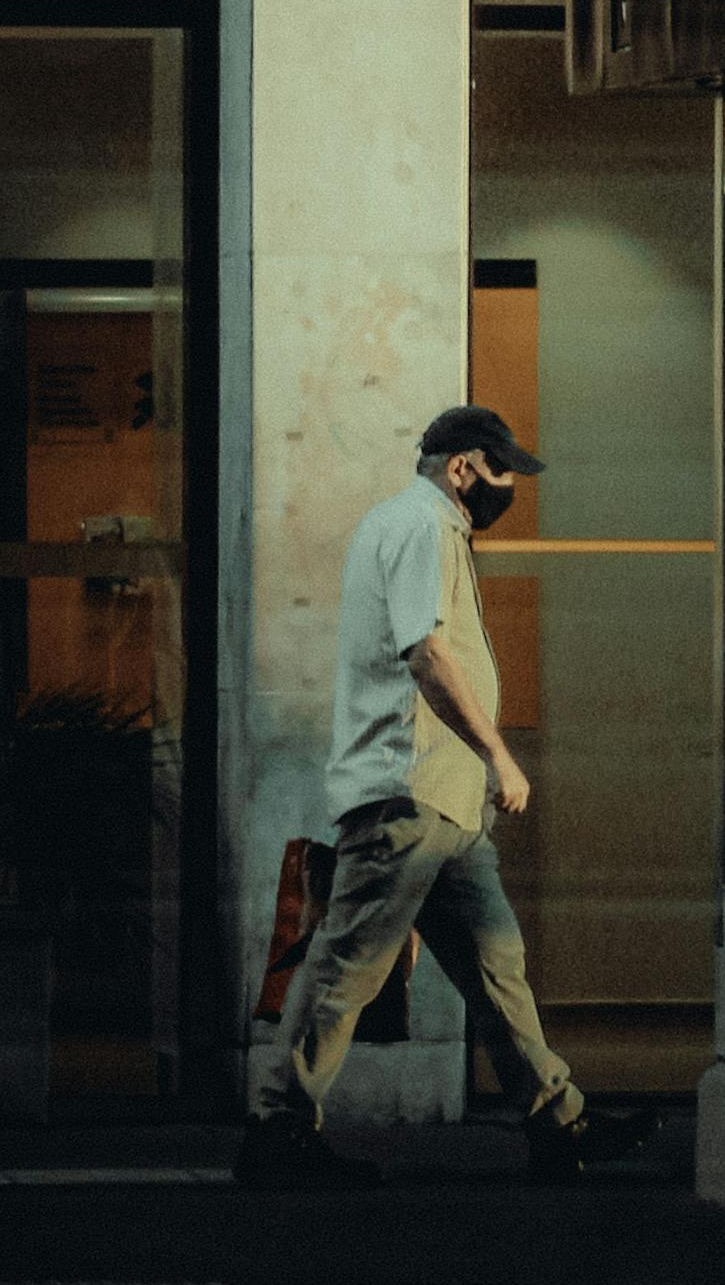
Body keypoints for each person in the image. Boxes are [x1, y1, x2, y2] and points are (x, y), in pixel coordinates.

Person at [236, 405, 649, 1190]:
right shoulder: (422, 526)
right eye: (503, 474)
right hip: (409, 791)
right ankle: (276, 1131)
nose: (508, 490)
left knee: (495, 963)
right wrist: (498, 755)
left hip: (444, 805)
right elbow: (425, 653)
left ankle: (559, 1122)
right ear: (462, 467)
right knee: (346, 966)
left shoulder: (419, 527)